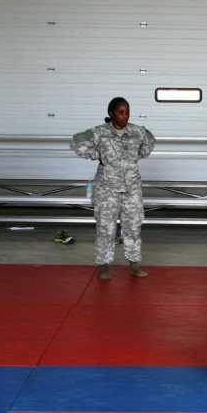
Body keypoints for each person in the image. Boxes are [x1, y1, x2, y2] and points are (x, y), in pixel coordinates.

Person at [71, 98, 155, 279]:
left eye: (127, 112)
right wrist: (96, 154)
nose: (124, 116)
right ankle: (103, 266)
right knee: (105, 229)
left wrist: (136, 156)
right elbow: (76, 141)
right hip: (106, 190)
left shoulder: (136, 131)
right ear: (111, 113)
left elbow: (150, 141)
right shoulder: (100, 132)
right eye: (120, 112)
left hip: (131, 188)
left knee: (133, 228)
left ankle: (134, 265)